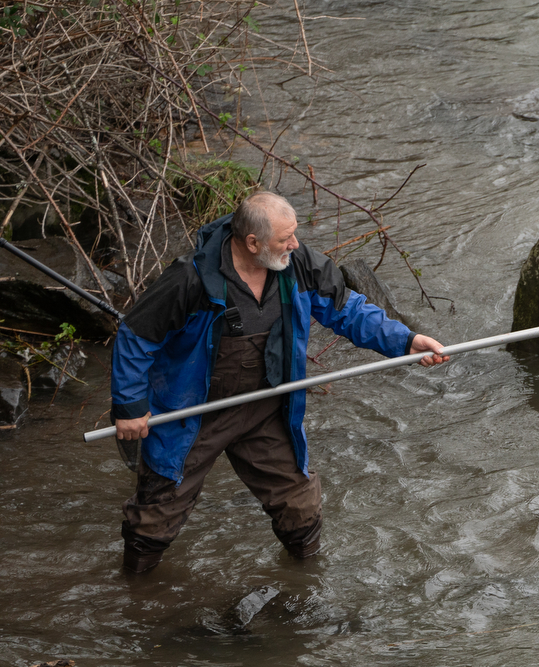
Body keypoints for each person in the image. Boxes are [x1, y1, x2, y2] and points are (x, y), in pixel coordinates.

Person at [111, 191, 447, 573]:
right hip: (192, 414)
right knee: (155, 516)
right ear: (252, 242)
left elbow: (347, 311)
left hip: (267, 407)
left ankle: (304, 585)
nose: (295, 244)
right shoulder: (190, 280)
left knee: (300, 509)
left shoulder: (297, 264)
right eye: (285, 238)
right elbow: (136, 338)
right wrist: (130, 407)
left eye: (295, 234)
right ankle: (135, 592)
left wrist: (405, 340)